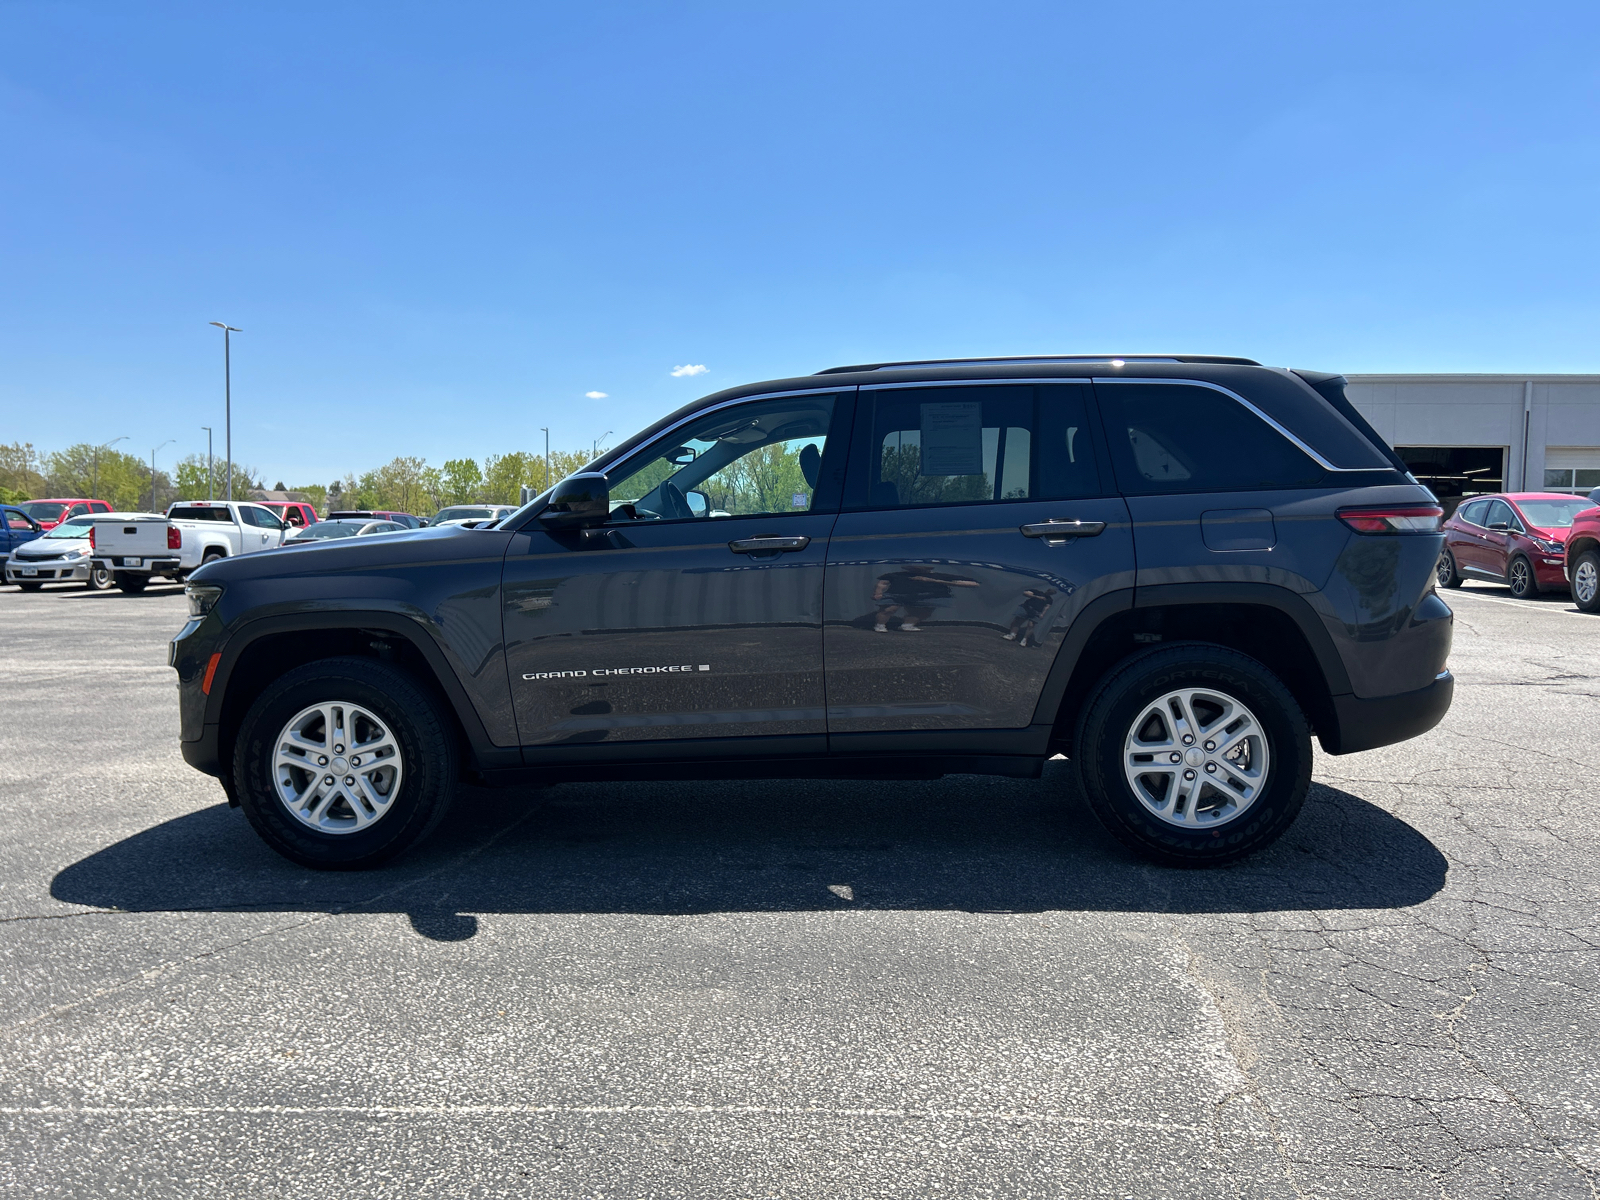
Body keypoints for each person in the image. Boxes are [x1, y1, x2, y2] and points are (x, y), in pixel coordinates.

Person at [871, 566, 979, 632]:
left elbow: (973, 584)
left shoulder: (941, 576)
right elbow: (882, 582)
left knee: (923, 612)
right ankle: (880, 625)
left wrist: (933, 581)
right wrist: (878, 592)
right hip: (896, 595)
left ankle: (908, 625)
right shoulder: (896, 575)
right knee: (888, 609)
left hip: (927, 597)